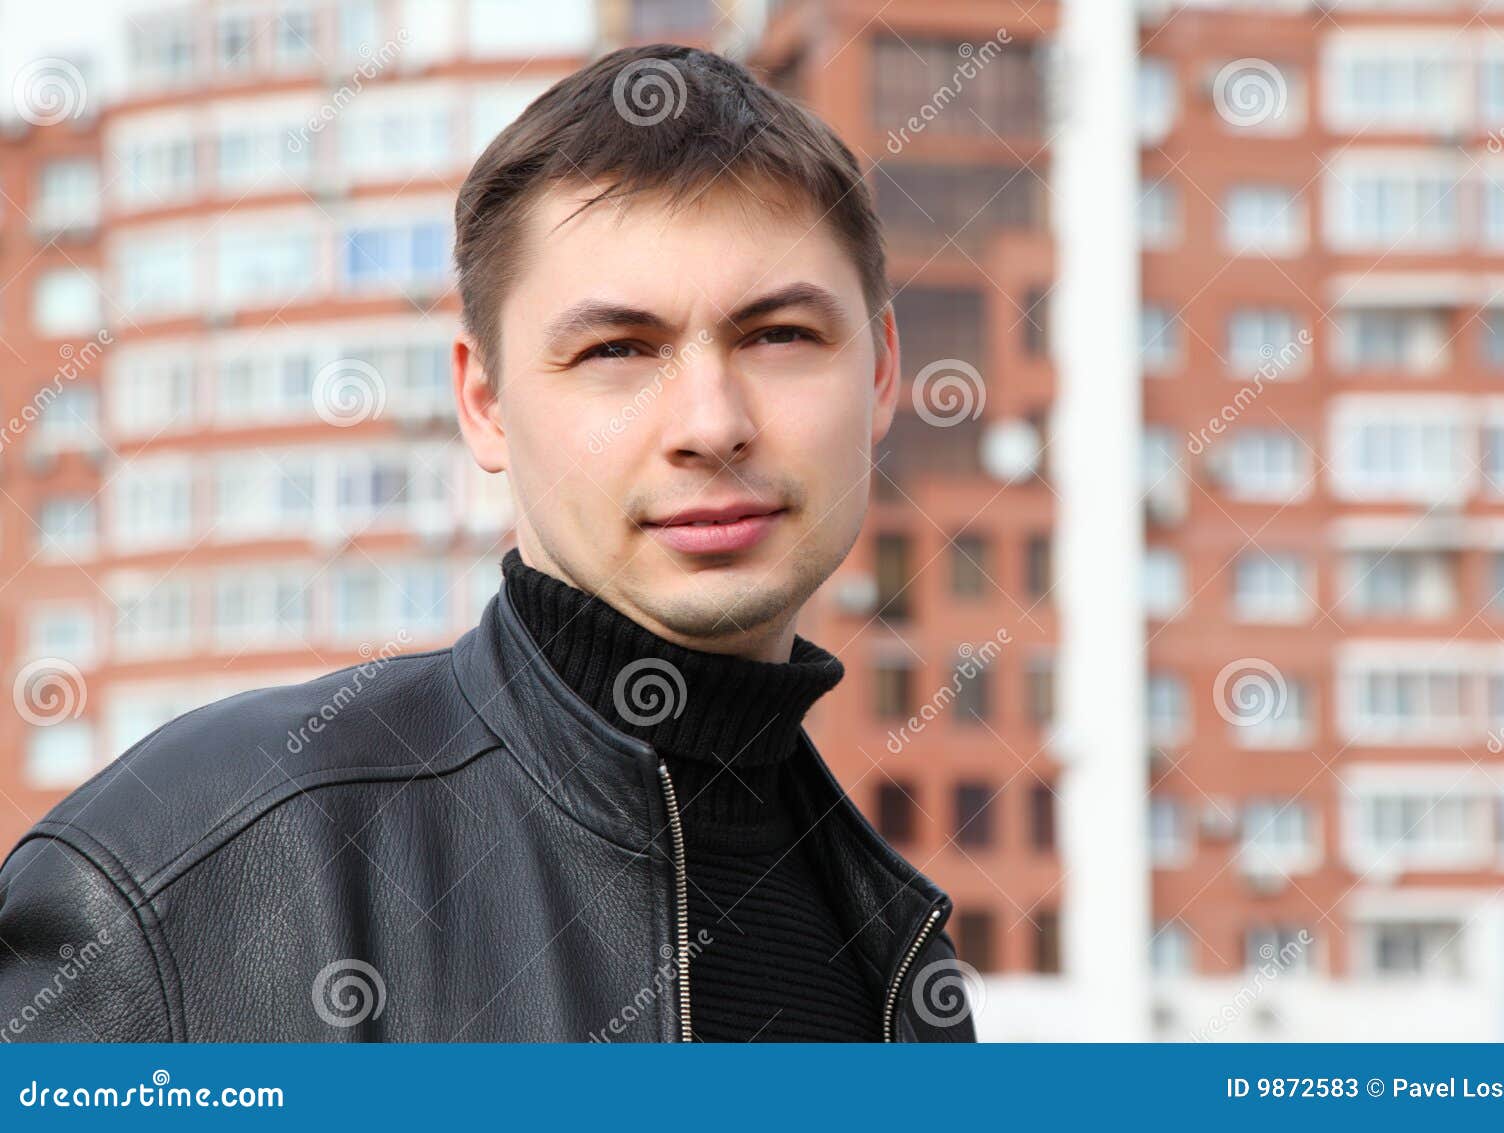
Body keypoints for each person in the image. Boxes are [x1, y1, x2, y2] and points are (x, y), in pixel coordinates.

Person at [0, 43, 973, 1043]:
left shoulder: (893, 943)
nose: (711, 422)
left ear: (881, 369)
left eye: (777, 335)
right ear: (484, 401)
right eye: (617, 350)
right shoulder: (180, 877)